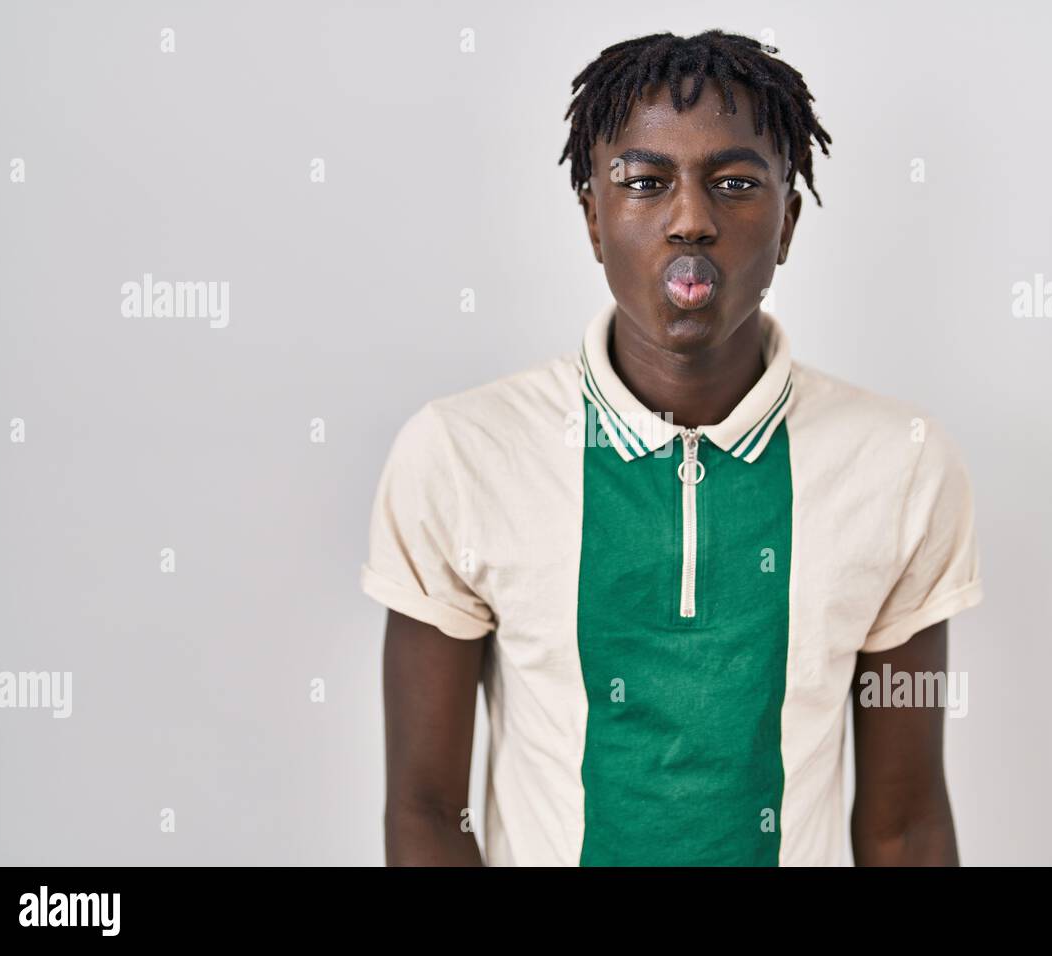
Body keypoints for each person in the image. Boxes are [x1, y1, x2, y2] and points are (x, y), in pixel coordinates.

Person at [361, 29, 984, 866]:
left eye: (734, 183)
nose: (691, 219)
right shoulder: (462, 455)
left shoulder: (901, 465)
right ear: (592, 217)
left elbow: (904, 826)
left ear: (789, 220)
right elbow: (427, 812)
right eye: (645, 183)